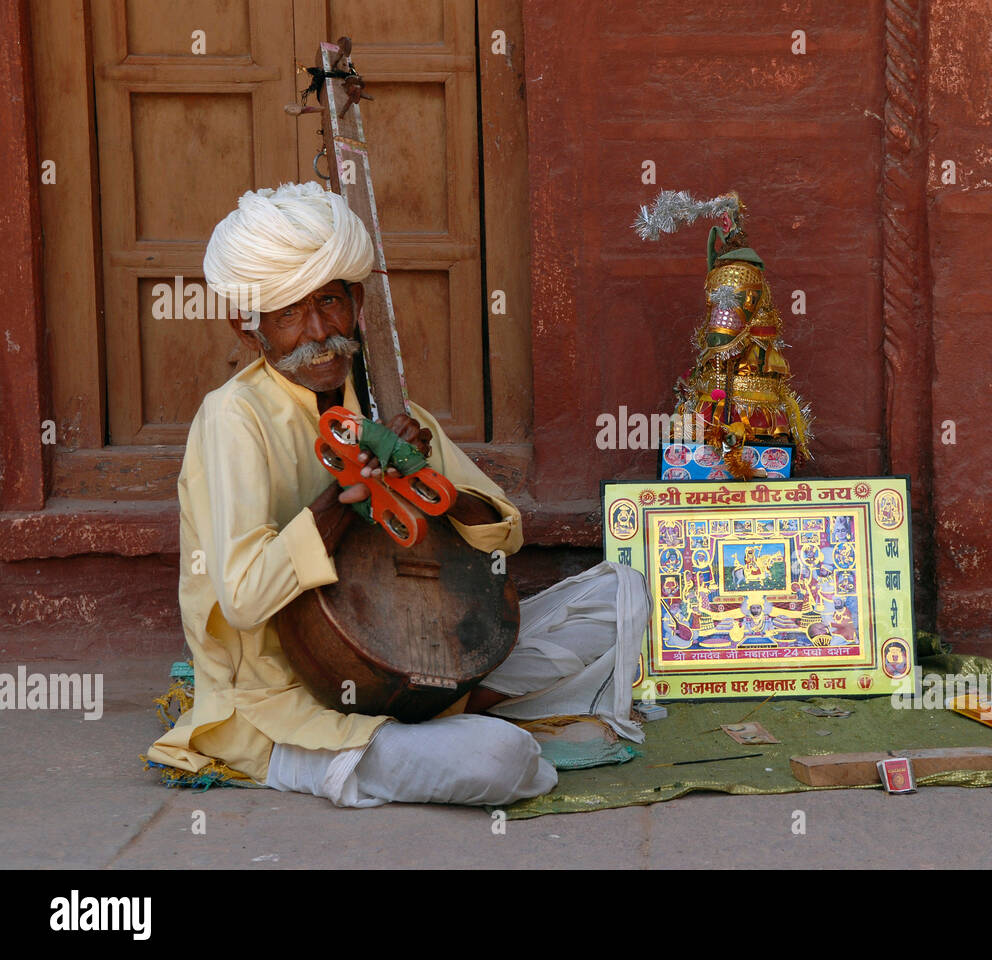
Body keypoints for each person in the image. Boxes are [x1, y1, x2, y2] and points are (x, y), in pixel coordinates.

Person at [146, 182, 647, 808]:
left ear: (355, 301)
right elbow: (245, 599)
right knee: (501, 760)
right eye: (288, 314)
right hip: (291, 695)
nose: (318, 331)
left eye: (328, 303)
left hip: (421, 642)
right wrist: (340, 498)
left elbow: (504, 532)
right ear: (250, 331)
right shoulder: (233, 419)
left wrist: (425, 478)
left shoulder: (383, 404)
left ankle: (447, 703)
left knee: (622, 593)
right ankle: (452, 726)